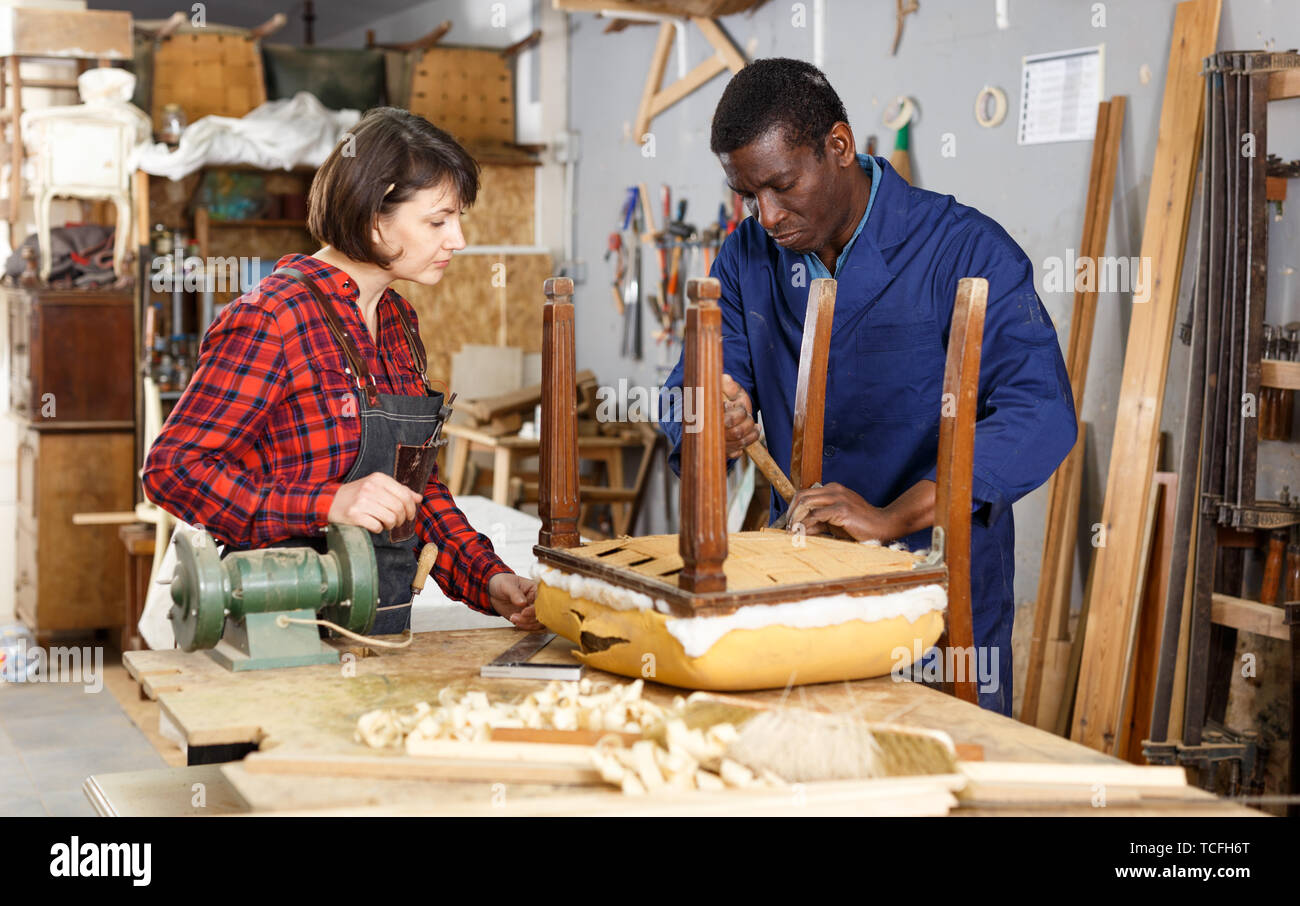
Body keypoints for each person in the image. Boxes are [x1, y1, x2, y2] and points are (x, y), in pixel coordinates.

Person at [659, 59, 1077, 715]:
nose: (765, 216)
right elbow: (691, 388)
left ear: (840, 146)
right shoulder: (744, 258)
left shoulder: (964, 250)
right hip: (799, 571)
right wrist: (713, 411)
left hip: (936, 582)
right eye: (747, 195)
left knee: (946, 768)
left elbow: (1039, 412)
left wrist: (892, 517)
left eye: (781, 186)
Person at [143, 107, 541, 635]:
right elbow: (174, 470)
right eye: (438, 220)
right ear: (375, 217)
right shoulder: (275, 316)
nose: (458, 239)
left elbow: (413, 489)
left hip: (381, 633)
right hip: (282, 638)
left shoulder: (397, 319)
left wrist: (487, 577)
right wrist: (329, 502)